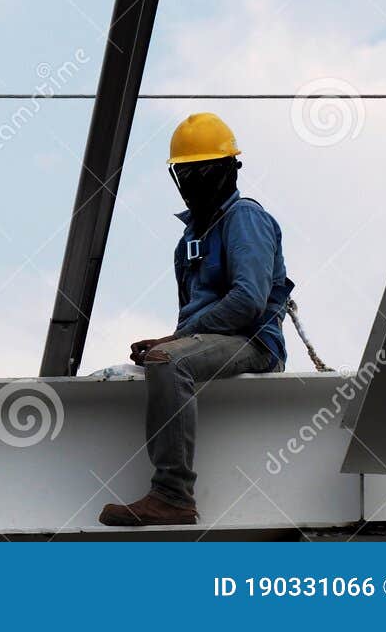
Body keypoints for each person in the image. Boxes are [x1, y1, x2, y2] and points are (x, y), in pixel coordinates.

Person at [97, 112, 294, 527]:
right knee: (165, 357)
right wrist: (172, 338)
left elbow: (248, 302)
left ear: (227, 170)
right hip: (219, 338)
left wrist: (174, 342)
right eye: (185, 174)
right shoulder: (189, 239)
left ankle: (172, 494)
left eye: (202, 172)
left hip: (254, 340)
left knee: (170, 361)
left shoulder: (244, 218)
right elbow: (195, 317)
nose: (192, 183)